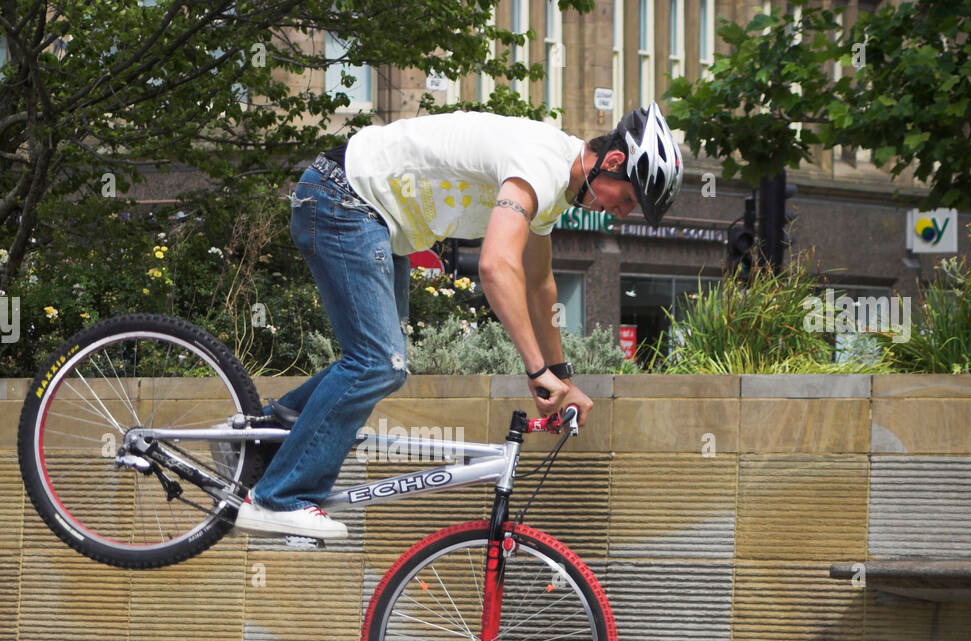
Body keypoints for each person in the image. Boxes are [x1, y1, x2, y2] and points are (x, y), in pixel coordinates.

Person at [235, 101, 684, 539]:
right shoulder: (540, 163)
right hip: (344, 198)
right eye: (628, 197)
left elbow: (539, 283)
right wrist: (536, 370)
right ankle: (280, 498)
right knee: (377, 363)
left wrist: (563, 377)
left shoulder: (556, 185)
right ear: (613, 159)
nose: (624, 213)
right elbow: (495, 265)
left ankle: (266, 434)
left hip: (376, 218)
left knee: (382, 365)